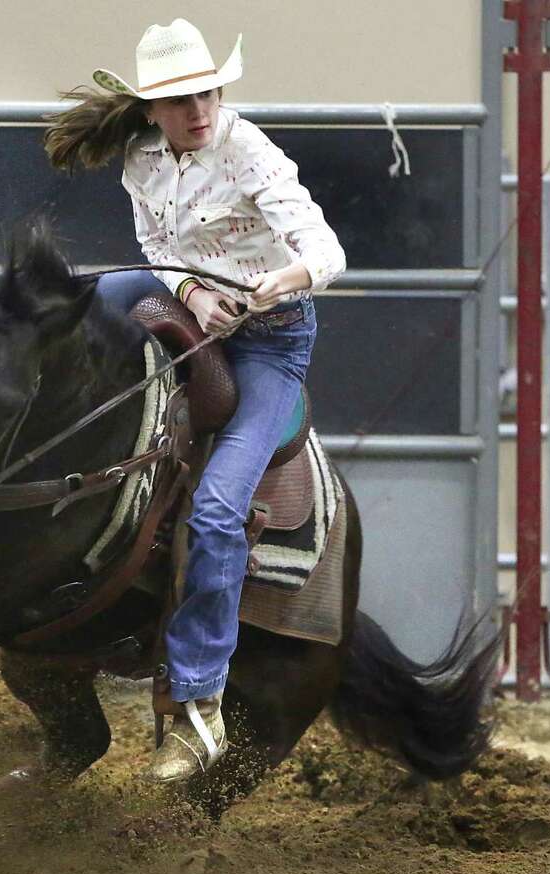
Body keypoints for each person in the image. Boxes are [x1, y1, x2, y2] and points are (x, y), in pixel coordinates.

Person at [44, 18, 345, 783]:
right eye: (180, 100)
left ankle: (201, 697)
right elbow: (154, 246)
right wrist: (187, 291)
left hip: (272, 341)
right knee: (78, 296)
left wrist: (283, 281)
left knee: (216, 509)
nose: (199, 109)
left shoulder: (250, 152)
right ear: (151, 110)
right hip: (193, 309)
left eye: (206, 93)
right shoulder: (141, 160)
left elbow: (326, 248)